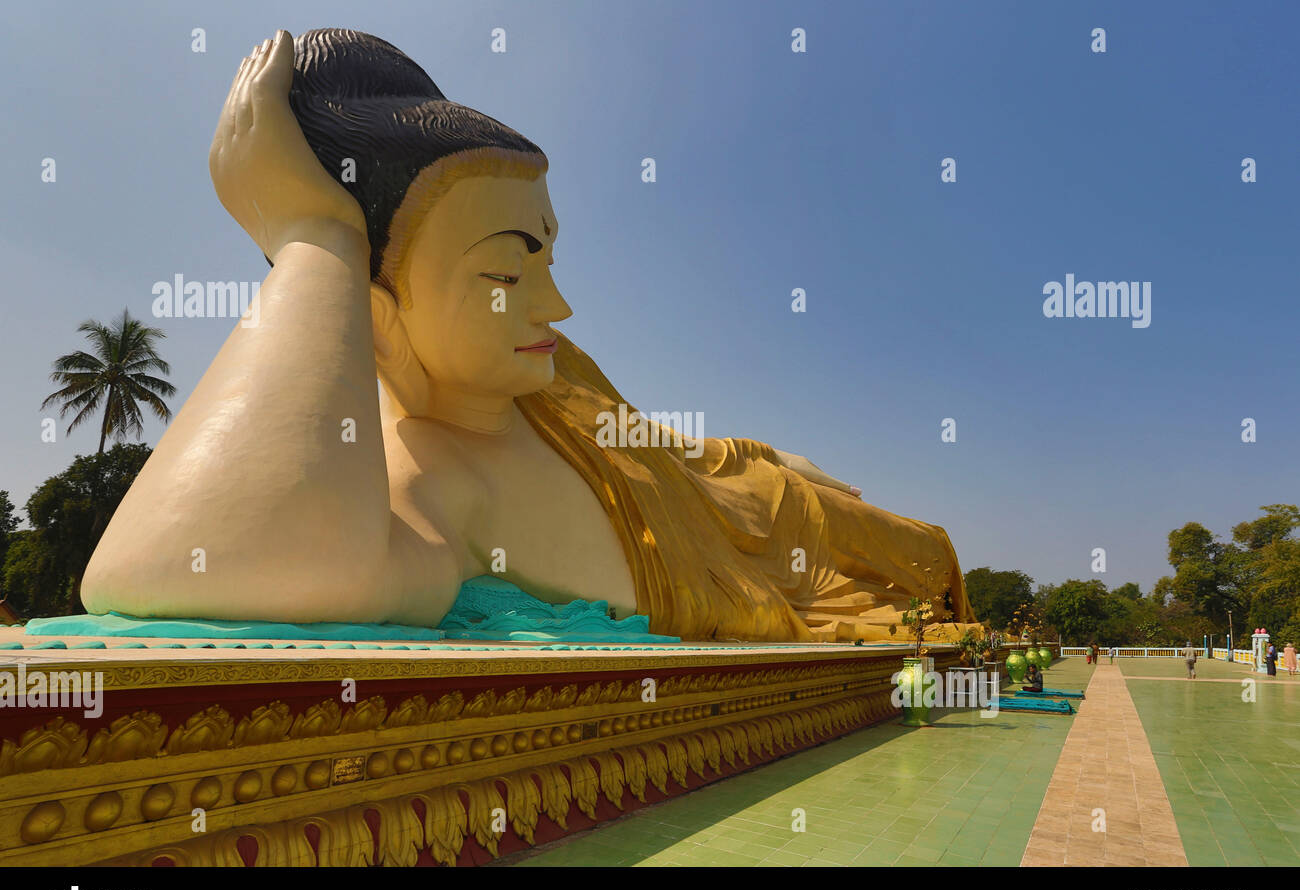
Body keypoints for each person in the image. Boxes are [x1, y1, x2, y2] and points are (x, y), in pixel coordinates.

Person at [79, 28, 978, 645]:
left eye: (546, 261)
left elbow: (671, 452)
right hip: (766, 572)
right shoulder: (433, 481)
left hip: (759, 498)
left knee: (922, 548)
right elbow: (182, 575)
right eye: (507, 275)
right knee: (920, 566)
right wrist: (316, 239)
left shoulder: (549, 381)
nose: (557, 306)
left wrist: (764, 459)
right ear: (377, 314)